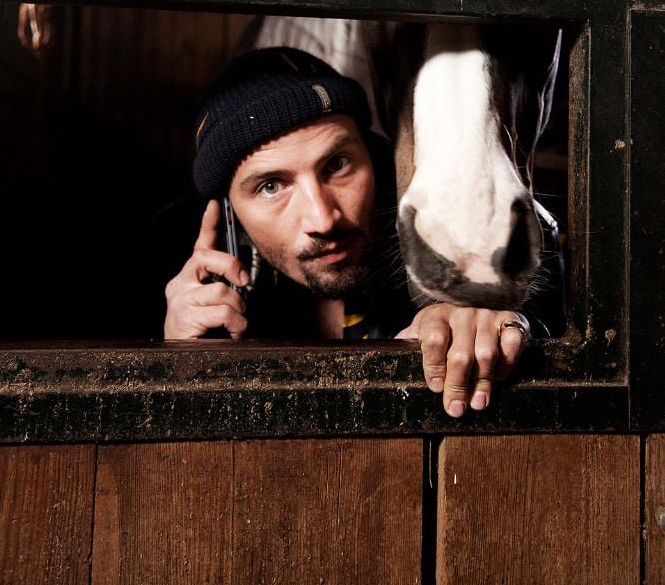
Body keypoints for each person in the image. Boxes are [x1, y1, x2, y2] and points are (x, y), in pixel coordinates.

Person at [164, 47, 545, 419]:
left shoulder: (448, 230)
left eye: (337, 164)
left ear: (373, 155)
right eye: (270, 187)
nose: (323, 219)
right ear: (230, 215)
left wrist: (498, 322)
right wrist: (175, 362)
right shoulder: (198, 287)